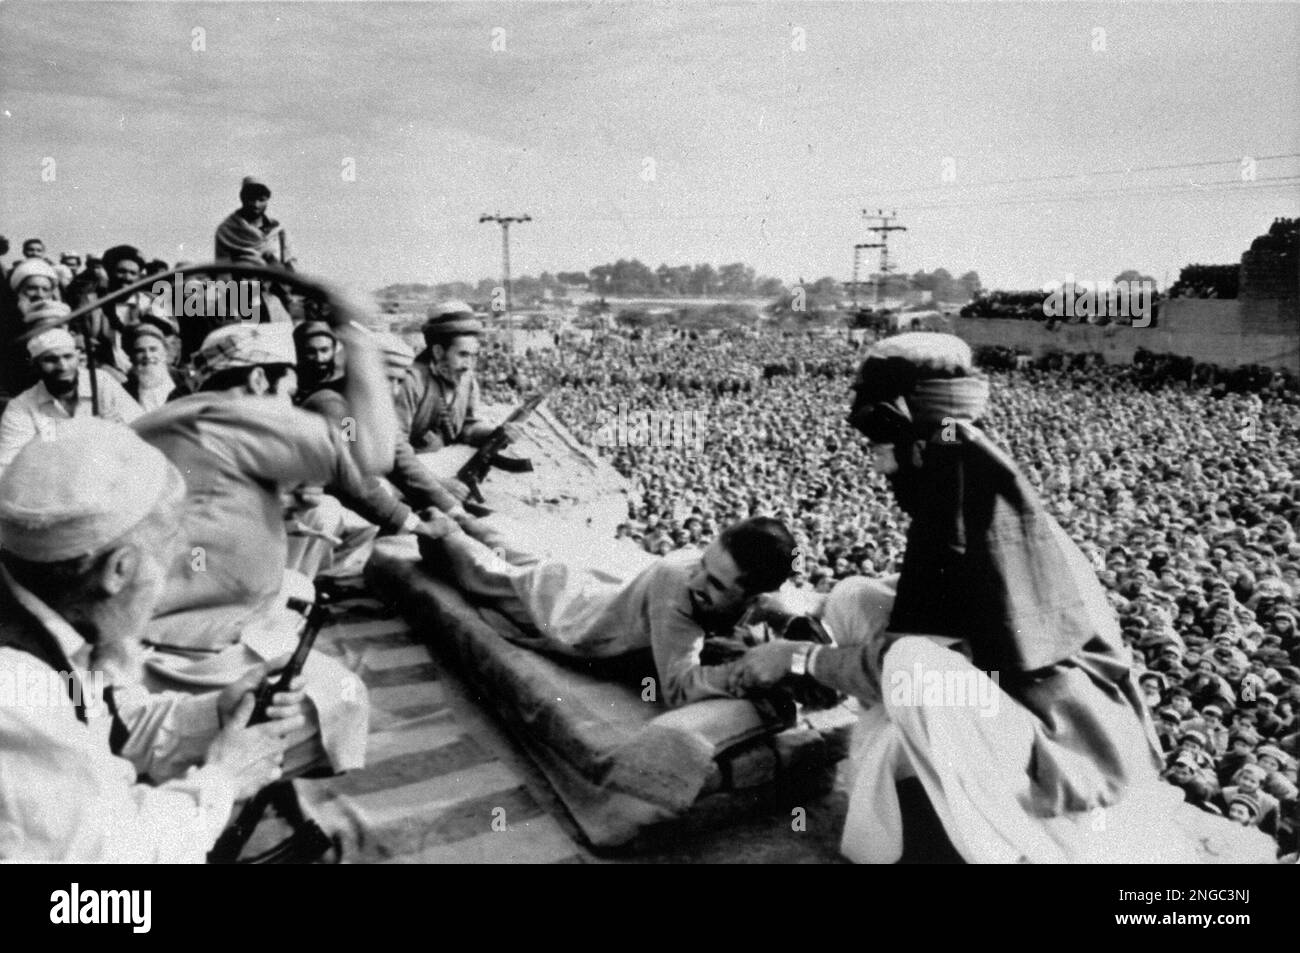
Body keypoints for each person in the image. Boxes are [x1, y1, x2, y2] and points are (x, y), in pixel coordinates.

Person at [730, 332, 1270, 863]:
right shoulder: (972, 496)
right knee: (856, 596)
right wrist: (809, 605)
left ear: (912, 437)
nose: (876, 466)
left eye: (879, 447)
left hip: (1074, 770)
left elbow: (902, 656)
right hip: (1031, 731)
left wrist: (797, 657)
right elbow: (939, 605)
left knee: (913, 664)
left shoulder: (968, 515)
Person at [0, 419, 307, 862]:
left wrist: (210, 715)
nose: (171, 574)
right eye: (166, 551)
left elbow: (104, 723)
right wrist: (223, 778)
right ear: (118, 571)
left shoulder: (46, 619)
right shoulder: (18, 692)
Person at [134, 297, 396, 772]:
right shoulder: (238, 417)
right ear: (258, 380)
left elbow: (204, 510)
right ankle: (250, 780)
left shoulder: (157, 421)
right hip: (190, 657)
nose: (288, 407)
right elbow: (373, 453)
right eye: (285, 391)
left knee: (296, 587)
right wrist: (358, 336)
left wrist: (271, 509)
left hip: (130, 640)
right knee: (346, 697)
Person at [418, 511, 798, 708]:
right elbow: (679, 688)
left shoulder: (765, 600)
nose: (697, 582)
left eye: (715, 584)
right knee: (483, 574)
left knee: (521, 557)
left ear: (754, 595)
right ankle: (445, 526)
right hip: (569, 610)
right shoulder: (678, 588)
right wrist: (745, 671)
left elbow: (792, 619)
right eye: (703, 566)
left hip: (597, 588)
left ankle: (466, 520)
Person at [0, 326, 142, 473]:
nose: (62, 366)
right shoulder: (21, 407)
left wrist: (121, 430)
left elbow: (143, 426)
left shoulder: (101, 382)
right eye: (50, 360)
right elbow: (7, 467)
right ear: (35, 365)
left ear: (77, 357)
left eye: (68, 356)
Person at [397, 301, 499, 452]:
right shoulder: (411, 382)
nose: (468, 365)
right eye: (463, 354)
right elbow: (397, 444)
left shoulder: (467, 381)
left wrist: (495, 434)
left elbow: (467, 428)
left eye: (473, 356)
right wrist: (427, 477)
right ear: (438, 352)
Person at [214, 175, 295, 270]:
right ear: (242, 198)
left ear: (267, 200)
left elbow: (291, 266)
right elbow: (223, 273)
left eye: (261, 200)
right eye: (251, 199)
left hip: (276, 282)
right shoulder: (227, 231)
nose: (256, 205)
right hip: (243, 283)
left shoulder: (278, 231)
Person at [123, 323, 190, 411]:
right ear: (132, 357)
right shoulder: (125, 392)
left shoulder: (185, 381)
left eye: (153, 349)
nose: (147, 355)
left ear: (165, 352)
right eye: (140, 351)